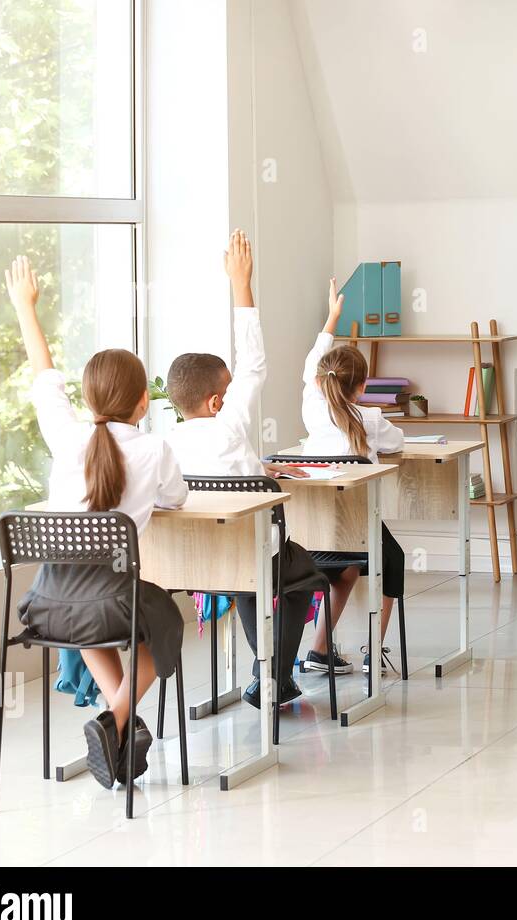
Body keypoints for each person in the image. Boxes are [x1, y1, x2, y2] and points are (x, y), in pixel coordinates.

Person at [6, 255, 187, 789]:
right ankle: (114, 719)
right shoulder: (154, 448)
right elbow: (176, 500)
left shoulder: (65, 438)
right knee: (166, 624)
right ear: (142, 401)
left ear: (87, 399)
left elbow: (44, 377)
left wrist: (25, 309)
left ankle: (118, 724)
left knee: (91, 619)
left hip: (49, 602)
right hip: (110, 599)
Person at [163, 230, 318, 708]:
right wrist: (241, 285)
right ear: (216, 401)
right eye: (226, 394)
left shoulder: (165, 444)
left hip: (191, 564)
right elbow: (253, 364)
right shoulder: (228, 425)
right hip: (249, 553)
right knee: (303, 575)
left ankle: (267, 674)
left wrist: (261, 470)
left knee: (253, 575)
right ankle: (272, 674)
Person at [301, 283, 407, 675]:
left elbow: (314, 363)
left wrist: (331, 318)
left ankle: (319, 650)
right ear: (363, 388)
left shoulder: (311, 409)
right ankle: (372, 652)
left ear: (321, 382)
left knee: (343, 570)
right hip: (358, 528)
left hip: (311, 533)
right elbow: (397, 445)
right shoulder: (372, 420)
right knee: (391, 559)